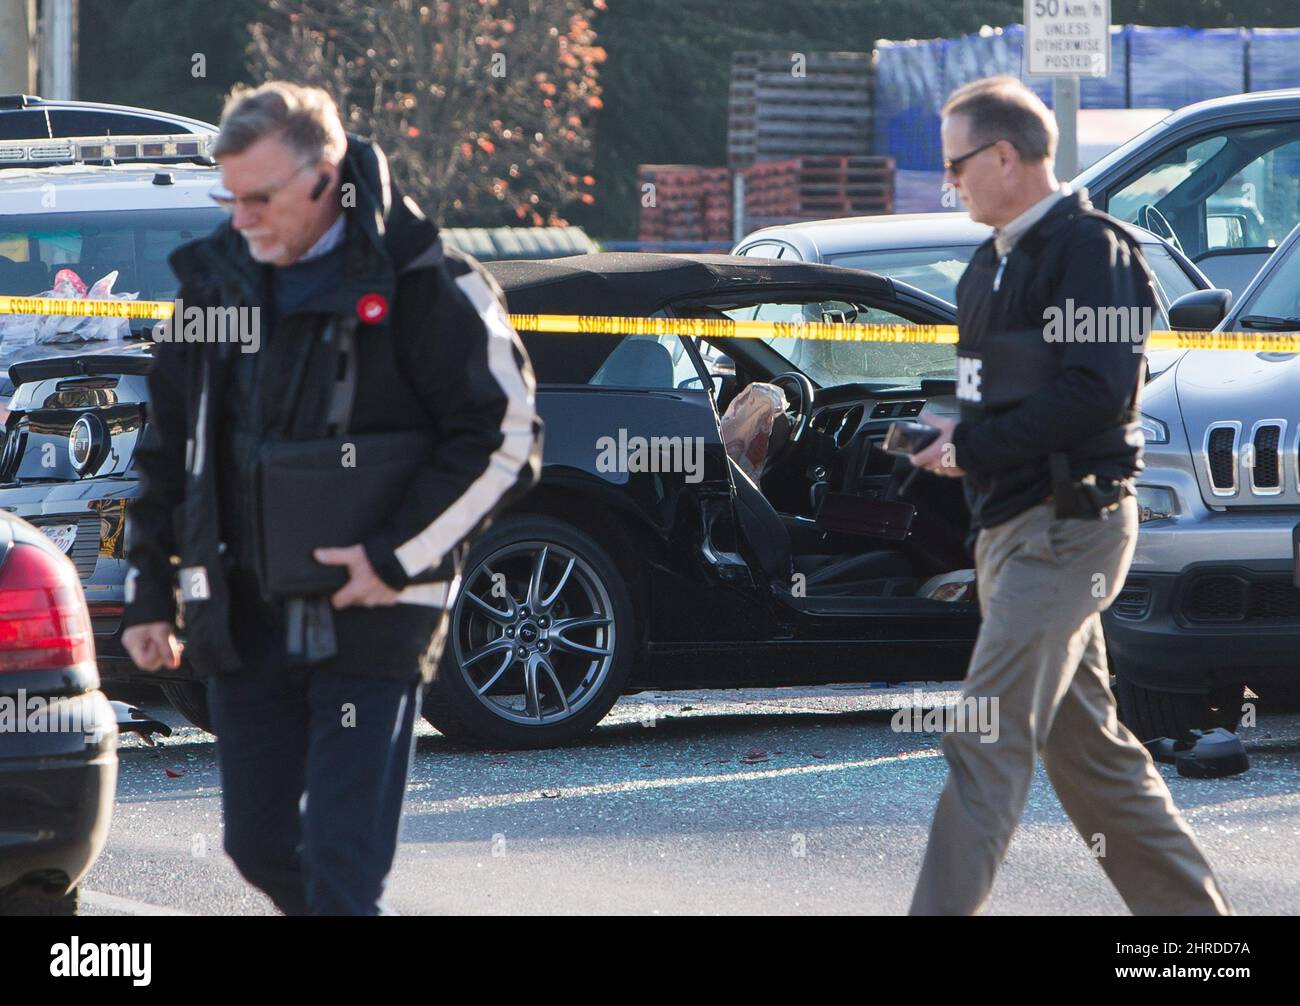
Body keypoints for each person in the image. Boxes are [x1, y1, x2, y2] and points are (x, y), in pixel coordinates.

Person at [121, 82, 542, 915]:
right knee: (258, 845)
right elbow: (167, 451)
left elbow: (510, 437)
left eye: (262, 198)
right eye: (229, 198)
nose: (241, 219)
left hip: (373, 617)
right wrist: (148, 591)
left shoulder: (428, 281)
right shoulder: (214, 284)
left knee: (342, 872)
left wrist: (394, 557)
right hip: (240, 612)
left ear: (328, 176)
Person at [906, 76, 1230, 916]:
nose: (950, 180)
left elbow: (1096, 393)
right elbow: (993, 392)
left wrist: (971, 443)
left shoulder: (1093, 251)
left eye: (957, 163)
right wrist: (939, 428)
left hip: (1069, 528)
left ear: (1005, 156)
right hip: (1008, 531)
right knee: (1094, 763)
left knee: (983, 739)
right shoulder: (989, 261)